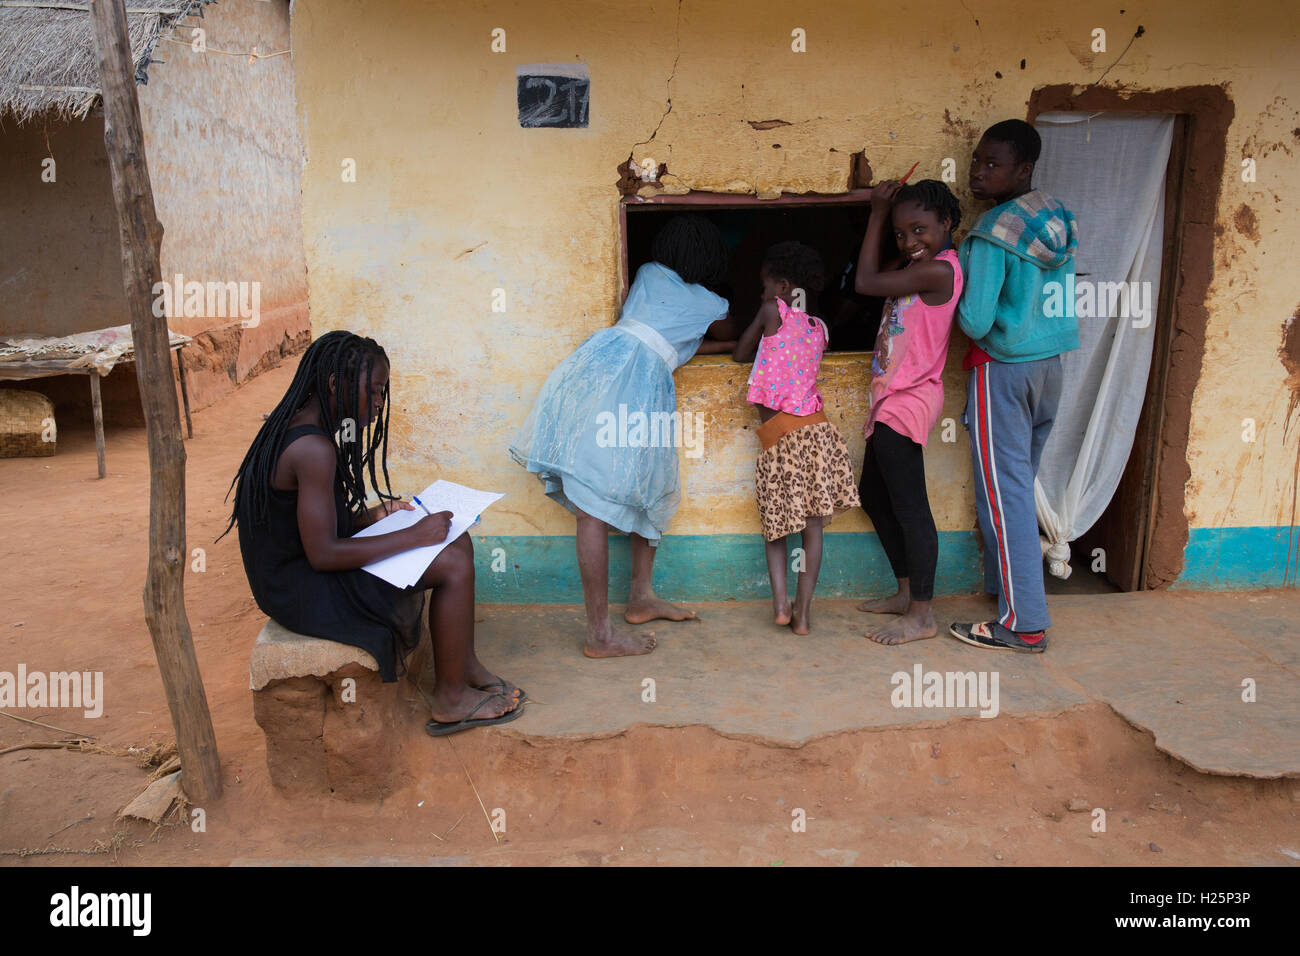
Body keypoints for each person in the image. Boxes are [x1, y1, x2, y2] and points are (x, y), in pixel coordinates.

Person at [221, 331, 523, 735]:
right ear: (335, 385)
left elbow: (308, 523)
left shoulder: (304, 424)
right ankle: (451, 699)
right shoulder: (313, 449)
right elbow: (323, 554)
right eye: (376, 392)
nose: (380, 405)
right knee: (451, 563)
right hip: (301, 588)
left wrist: (373, 515)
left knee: (456, 537)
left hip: (301, 569)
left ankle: (463, 663)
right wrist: (415, 535)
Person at [510, 214, 738, 658]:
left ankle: (641, 599)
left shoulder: (649, 274)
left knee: (631, 491)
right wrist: (723, 344)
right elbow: (731, 337)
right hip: (638, 391)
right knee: (625, 497)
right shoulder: (713, 304)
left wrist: (687, 346)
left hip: (589, 373)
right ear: (712, 260)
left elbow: (662, 335)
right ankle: (602, 633)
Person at [948, 119, 1079, 653]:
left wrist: (950, 273)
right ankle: (1012, 595)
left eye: (992, 164)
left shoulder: (992, 234)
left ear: (1023, 169)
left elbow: (976, 321)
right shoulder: (1058, 218)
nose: (979, 172)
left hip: (1002, 370)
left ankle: (1024, 624)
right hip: (1050, 367)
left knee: (1005, 498)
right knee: (1017, 489)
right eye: (977, 161)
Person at [852, 178, 964, 645]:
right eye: (901, 234)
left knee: (911, 508)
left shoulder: (939, 271)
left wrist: (877, 212)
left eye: (919, 229)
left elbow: (865, 283)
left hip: (910, 398)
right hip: (891, 397)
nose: (910, 241)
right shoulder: (919, 266)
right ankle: (905, 592)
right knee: (875, 497)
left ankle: (922, 614)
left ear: (947, 224)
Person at [734, 241, 860, 635]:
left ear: (782, 285)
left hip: (782, 439)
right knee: (812, 529)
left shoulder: (773, 311)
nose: (760, 294)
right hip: (818, 434)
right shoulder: (821, 328)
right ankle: (803, 614)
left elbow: (741, 353)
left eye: (763, 285)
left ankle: (780, 606)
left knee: (777, 528)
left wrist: (753, 319)